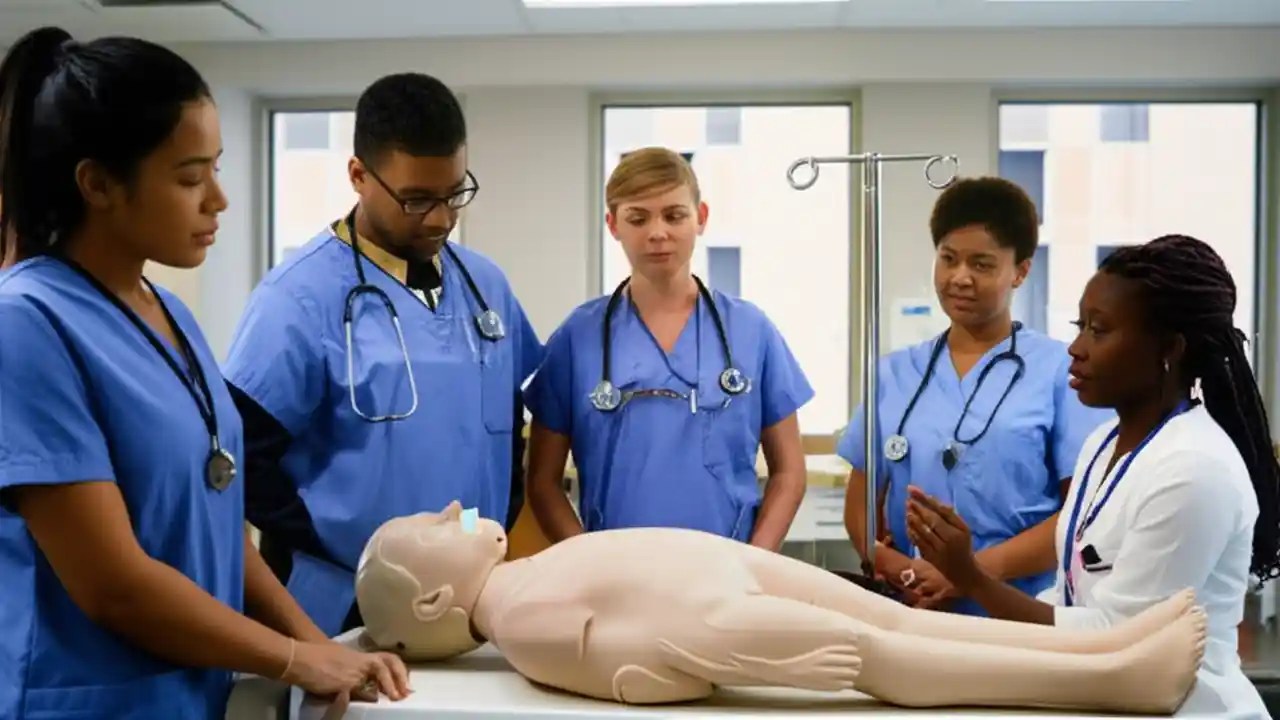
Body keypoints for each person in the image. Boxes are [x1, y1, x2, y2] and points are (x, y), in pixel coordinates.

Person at [0, 27, 408, 720]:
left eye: (216, 169)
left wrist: (321, 647)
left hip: (191, 698)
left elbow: (215, 528)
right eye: (190, 177)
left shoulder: (165, 313)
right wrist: (291, 658)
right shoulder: (26, 325)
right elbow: (113, 583)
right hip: (83, 704)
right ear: (97, 183)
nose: (218, 199)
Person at [354, 502, 1207, 715]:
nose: (449, 510)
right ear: (433, 598)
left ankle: (1109, 646)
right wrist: (751, 650)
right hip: (724, 610)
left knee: (899, 622)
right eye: (429, 529)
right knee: (883, 655)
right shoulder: (522, 624)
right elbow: (640, 672)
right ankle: (1114, 682)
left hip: (730, 568)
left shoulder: (532, 573)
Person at [224, 72, 542, 639]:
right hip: (342, 598)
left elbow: (503, 431)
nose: (442, 218)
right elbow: (242, 460)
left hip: (464, 596)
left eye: (454, 194)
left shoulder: (486, 286)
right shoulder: (297, 297)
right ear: (358, 176)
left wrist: (475, 542)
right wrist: (355, 544)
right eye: (417, 200)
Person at [908, 234, 1276, 718]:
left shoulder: (1192, 471)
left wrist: (971, 577)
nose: (1076, 349)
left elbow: (1116, 642)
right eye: (1079, 326)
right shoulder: (1104, 444)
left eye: (1098, 331)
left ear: (1168, 348)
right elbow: (1067, 599)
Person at [838, 177, 1112, 615]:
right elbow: (861, 505)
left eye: (982, 265)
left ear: (1020, 271)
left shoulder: (1061, 371)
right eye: (948, 259)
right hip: (912, 609)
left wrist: (968, 573)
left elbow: (1079, 513)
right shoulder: (894, 374)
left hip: (1019, 611)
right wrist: (896, 567)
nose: (959, 278)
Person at [523, 147, 812, 550]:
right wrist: (588, 565)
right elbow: (541, 481)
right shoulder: (579, 336)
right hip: (617, 578)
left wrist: (755, 562)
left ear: (702, 218)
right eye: (638, 218)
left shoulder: (750, 331)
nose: (657, 232)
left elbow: (790, 472)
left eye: (674, 215)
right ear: (613, 225)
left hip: (728, 572)